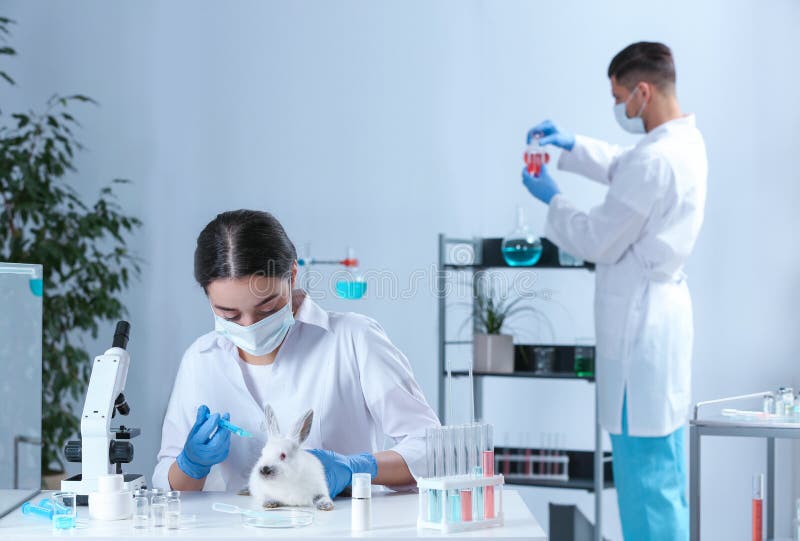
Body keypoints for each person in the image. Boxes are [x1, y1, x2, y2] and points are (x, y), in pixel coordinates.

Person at [522, 42, 707, 540]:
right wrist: (570, 145)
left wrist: (553, 199)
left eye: (620, 96)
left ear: (642, 92)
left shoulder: (655, 163)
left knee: (645, 484)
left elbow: (596, 239)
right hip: (660, 325)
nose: (618, 107)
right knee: (663, 476)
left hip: (639, 335)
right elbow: (626, 163)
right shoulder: (680, 144)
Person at [153, 209, 440, 498]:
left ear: (291, 275)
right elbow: (170, 488)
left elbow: (431, 449)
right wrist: (191, 465)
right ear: (207, 296)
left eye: (267, 307)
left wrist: (357, 468)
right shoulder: (200, 359)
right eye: (229, 314)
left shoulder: (353, 340)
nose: (250, 326)